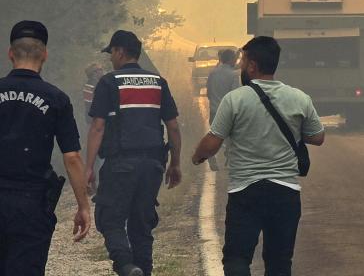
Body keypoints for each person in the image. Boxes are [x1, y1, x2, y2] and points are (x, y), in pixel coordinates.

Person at [192, 36, 325, 276]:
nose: (240, 67)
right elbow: (317, 137)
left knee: (236, 258)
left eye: (243, 62)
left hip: (245, 192)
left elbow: (212, 142)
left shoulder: (235, 100)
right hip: (285, 193)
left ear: (252, 66)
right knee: (279, 262)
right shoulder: (299, 98)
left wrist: (197, 156)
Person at [85, 30, 182, 276]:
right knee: (142, 226)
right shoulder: (158, 82)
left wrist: (88, 168)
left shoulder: (109, 82)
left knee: (110, 219)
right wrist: (175, 163)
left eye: (111, 53)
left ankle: (126, 266)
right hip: (153, 166)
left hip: (120, 165)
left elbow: (98, 126)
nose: (110, 59)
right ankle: (143, 272)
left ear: (120, 51)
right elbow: (172, 125)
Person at [0, 20, 92, 274]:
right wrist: (83, 205)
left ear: (10, 54)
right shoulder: (56, 99)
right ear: (45, 54)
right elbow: (72, 157)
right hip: (31, 204)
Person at [204, 49, 240, 172]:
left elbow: (208, 92)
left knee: (214, 134)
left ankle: (210, 154)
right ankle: (230, 159)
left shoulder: (212, 73)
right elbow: (235, 95)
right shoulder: (233, 75)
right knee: (232, 136)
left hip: (214, 109)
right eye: (235, 58)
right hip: (228, 111)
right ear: (230, 60)